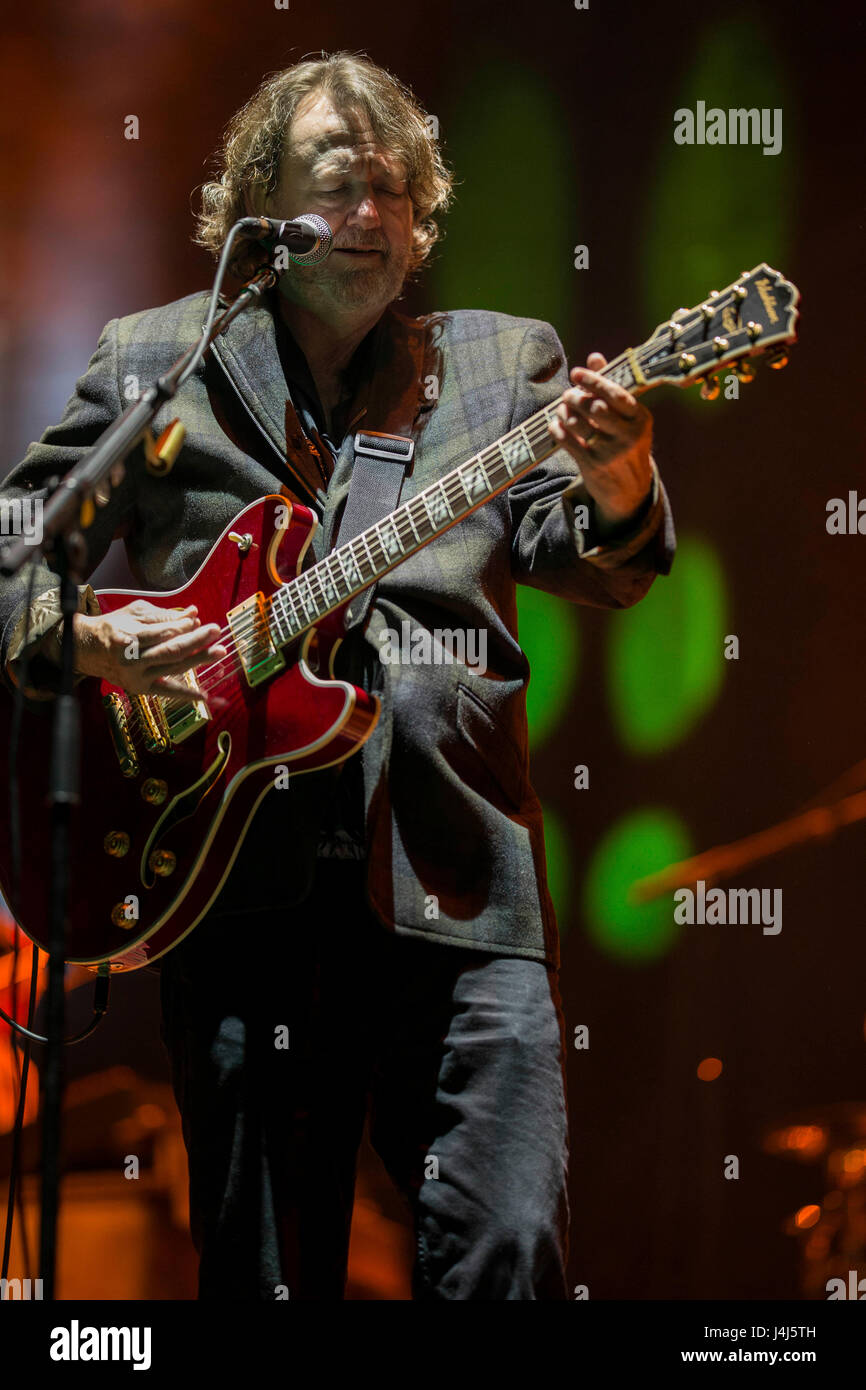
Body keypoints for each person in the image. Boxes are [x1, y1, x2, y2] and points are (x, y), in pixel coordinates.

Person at [0, 52, 675, 1299]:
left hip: (460, 889)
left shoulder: (496, 365)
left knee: (507, 1250)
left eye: (395, 192)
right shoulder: (157, 357)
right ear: (259, 205)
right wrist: (85, 635)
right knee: (264, 1275)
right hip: (234, 894)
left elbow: (595, 561)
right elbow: (10, 549)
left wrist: (620, 478)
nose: (372, 216)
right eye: (338, 185)